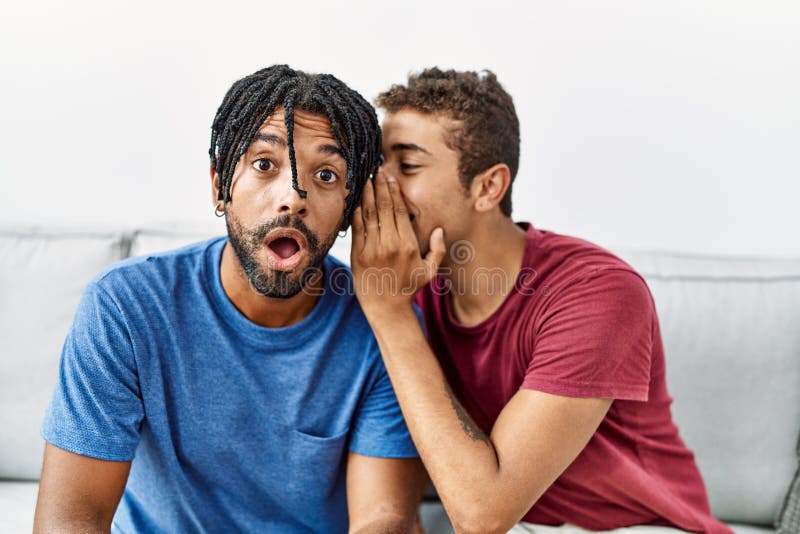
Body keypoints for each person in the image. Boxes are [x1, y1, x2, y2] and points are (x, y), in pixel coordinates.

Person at [33, 65, 425, 534]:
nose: (292, 198)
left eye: (325, 174)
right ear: (220, 184)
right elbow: (71, 520)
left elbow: (383, 519)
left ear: (348, 209)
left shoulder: (380, 323)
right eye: (264, 165)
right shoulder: (123, 308)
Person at [350, 67, 732, 534]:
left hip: (638, 527)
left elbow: (482, 512)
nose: (378, 184)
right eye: (378, 163)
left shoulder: (597, 291)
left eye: (407, 166)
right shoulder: (409, 285)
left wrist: (389, 314)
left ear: (488, 187)